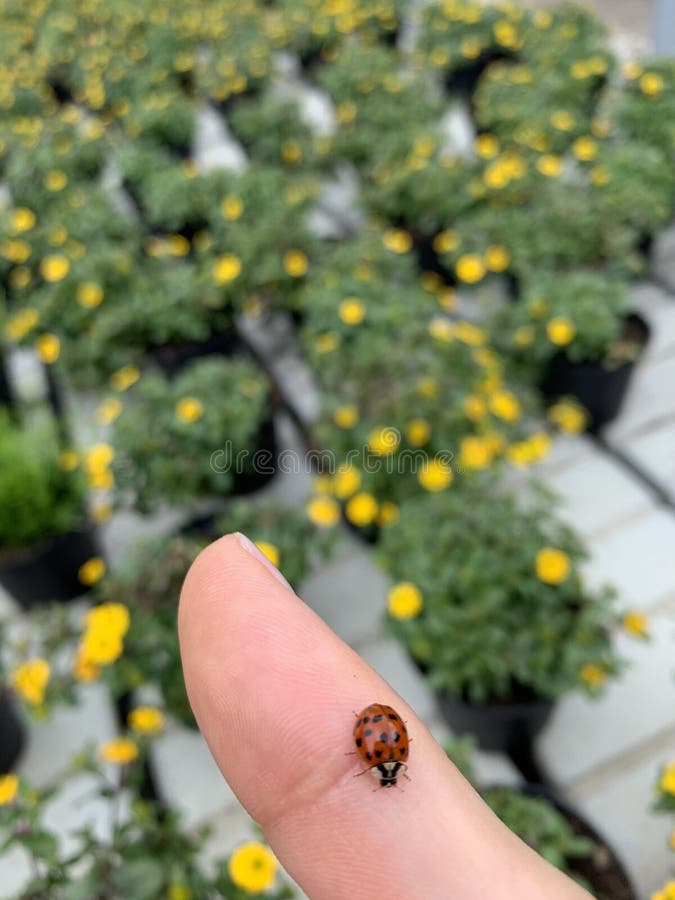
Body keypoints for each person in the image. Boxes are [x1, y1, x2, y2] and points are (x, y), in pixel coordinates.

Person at [178, 533, 591, 900]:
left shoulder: (383, 754)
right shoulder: (384, 754)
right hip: (376, 721)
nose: (390, 776)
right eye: (389, 774)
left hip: (377, 721)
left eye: (388, 774)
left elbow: (380, 736)